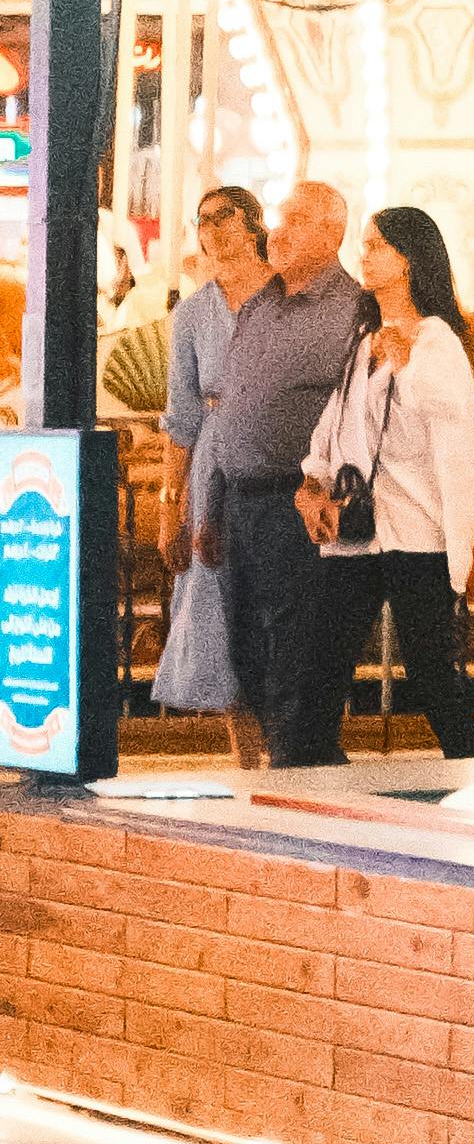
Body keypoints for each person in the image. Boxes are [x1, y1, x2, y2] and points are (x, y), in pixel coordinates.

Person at [277, 207, 474, 768]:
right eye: (365, 245)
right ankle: (312, 771)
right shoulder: (365, 337)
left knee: (430, 673)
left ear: (409, 260)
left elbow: (454, 431)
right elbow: (336, 421)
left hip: (416, 532)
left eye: (377, 246)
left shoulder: (437, 341)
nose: (364, 255)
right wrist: (312, 482)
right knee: (322, 662)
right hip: (358, 527)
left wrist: (406, 367)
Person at [190, 176, 368, 770]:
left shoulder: (350, 311)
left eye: (294, 221)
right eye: (280, 220)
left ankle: (298, 763)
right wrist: (211, 505)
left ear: (331, 233)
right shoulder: (261, 305)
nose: (279, 231)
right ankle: (306, 758)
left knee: (295, 646)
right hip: (241, 502)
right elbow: (229, 412)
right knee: (245, 646)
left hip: (298, 504)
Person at [154, 183, 272, 742]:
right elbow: (180, 417)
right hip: (213, 467)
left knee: (276, 604)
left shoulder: (283, 296)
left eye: (225, 217)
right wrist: (168, 506)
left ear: (253, 224)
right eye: (204, 221)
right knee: (216, 609)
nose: (214, 230)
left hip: (277, 458)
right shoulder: (195, 314)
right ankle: (245, 754)